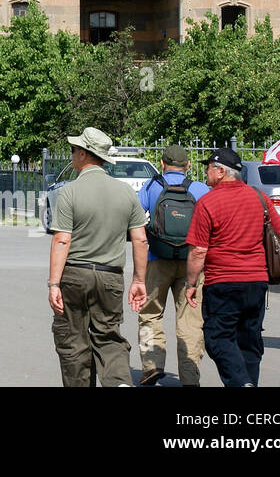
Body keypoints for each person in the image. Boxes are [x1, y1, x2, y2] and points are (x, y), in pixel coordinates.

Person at [47, 127, 149, 387]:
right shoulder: (126, 192)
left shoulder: (70, 191)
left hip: (74, 275)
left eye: (73, 150)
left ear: (83, 153)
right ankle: (119, 383)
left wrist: (54, 284)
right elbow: (140, 239)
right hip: (110, 277)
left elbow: (62, 239)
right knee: (108, 337)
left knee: (73, 341)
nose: (72, 155)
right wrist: (139, 279)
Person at [184, 147, 280, 387]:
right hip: (256, 281)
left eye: (208, 167)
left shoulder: (208, 202)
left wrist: (190, 283)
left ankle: (242, 383)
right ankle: (249, 382)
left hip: (223, 282)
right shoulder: (259, 197)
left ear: (220, 171)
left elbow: (198, 250)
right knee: (249, 339)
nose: (206, 172)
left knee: (217, 337)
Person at [135, 144, 209, 385]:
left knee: (150, 313)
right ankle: (189, 375)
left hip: (157, 259)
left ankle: (152, 365)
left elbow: (135, 215)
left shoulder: (152, 186)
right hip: (192, 263)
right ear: (188, 166)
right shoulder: (200, 189)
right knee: (190, 320)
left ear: (163, 163)